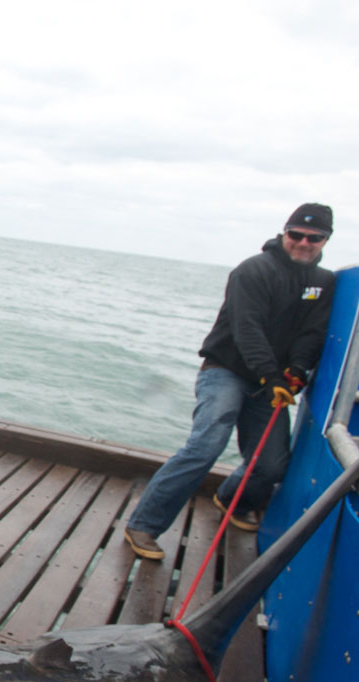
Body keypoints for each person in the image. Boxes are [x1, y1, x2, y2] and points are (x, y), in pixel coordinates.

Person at [122, 203, 337, 561]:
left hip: (272, 382)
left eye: (313, 238)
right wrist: (271, 376)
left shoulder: (323, 282)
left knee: (270, 466)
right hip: (226, 371)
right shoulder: (253, 271)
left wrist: (297, 372)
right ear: (284, 233)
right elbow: (246, 330)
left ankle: (231, 498)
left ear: (325, 240)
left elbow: (312, 333)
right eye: (295, 234)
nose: (303, 242)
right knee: (206, 446)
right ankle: (143, 524)